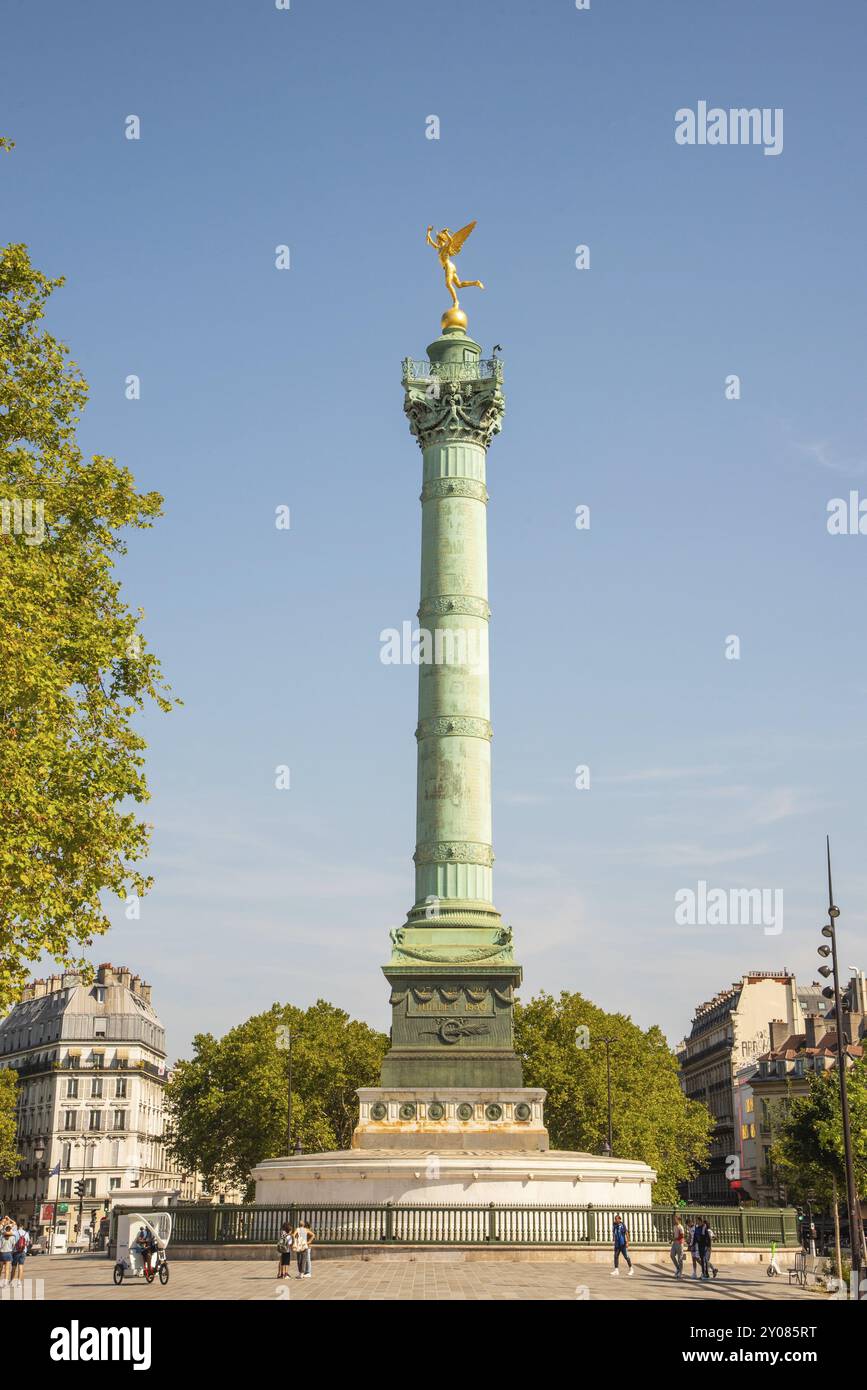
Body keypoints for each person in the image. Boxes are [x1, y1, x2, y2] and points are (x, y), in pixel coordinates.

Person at [0, 1218, 16, 1285]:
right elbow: (14, 1245)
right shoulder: (12, 1237)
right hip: (9, 1253)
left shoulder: (2, 1237)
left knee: (0, 1268)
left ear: (5, 1229)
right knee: (7, 1268)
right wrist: (11, 1250)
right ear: (10, 1230)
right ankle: (6, 1281)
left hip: (2, 1253)